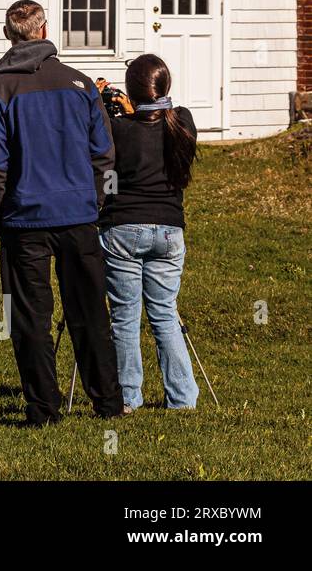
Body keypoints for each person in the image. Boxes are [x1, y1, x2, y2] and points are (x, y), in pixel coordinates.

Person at [0, 0, 124, 426]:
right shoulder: (79, 86)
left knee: (30, 319)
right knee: (90, 311)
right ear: (44, 32)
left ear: (9, 36)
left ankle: (43, 408)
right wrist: (98, 202)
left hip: (24, 220)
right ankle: (108, 403)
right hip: (77, 215)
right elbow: (104, 155)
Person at [97, 54, 200, 411]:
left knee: (125, 316)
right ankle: (182, 398)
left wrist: (104, 104)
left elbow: (104, 141)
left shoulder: (117, 128)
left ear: (130, 92)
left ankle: (129, 396)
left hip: (123, 228)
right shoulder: (182, 123)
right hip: (170, 230)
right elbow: (161, 115)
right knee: (164, 314)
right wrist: (136, 107)